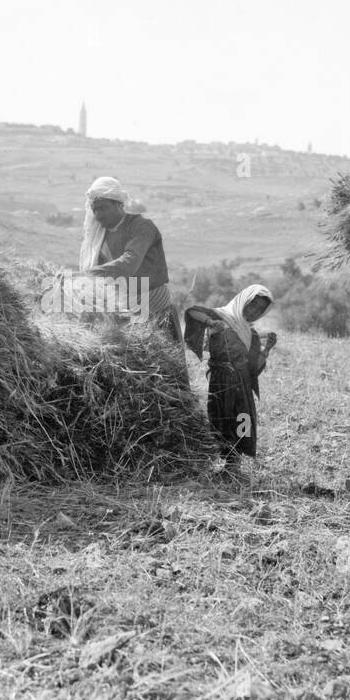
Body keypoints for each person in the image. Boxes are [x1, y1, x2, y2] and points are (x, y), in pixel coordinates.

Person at [184, 284, 277, 478]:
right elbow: (192, 312)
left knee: (243, 419)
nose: (254, 311)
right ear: (244, 299)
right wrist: (210, 322)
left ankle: (235, 463)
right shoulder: (221, 316)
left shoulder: (250, 334)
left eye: (260, 310)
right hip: (221, 381)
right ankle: (224, 459)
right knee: (220, 418)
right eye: (253, 305)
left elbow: (253, 368)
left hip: (242, 384)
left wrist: (266, 349)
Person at [78, 176, 182, 347]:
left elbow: (129, 263)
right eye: (94, 209)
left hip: (155, 309)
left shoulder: (141, 227)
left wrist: (87, 275)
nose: (98, 214)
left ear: (119, 204)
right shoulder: (99, 237)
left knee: (166, 367)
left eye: (103, 208)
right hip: (124, 313)